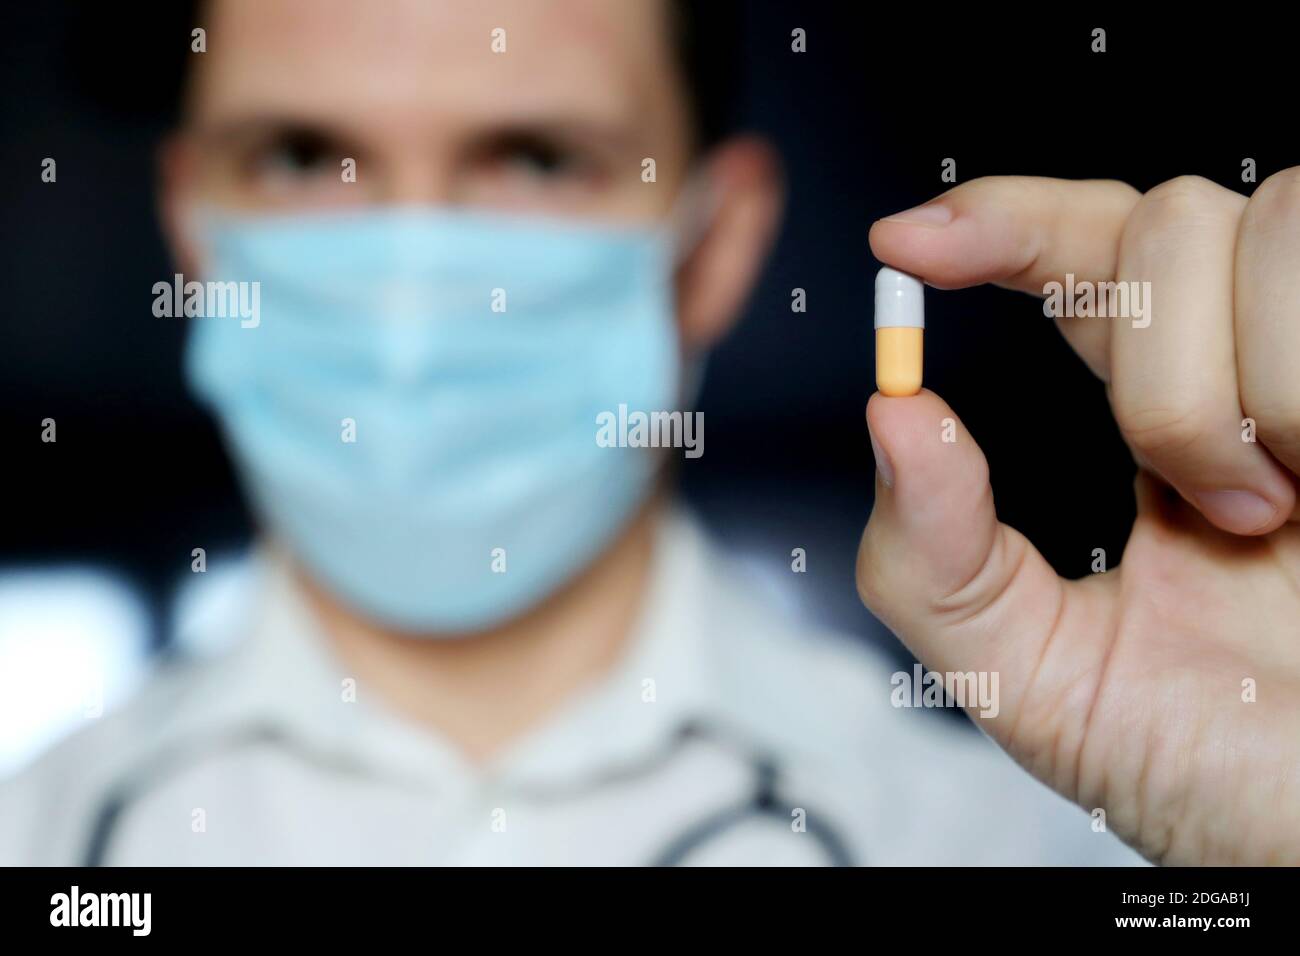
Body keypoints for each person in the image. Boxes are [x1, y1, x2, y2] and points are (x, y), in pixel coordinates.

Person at [2, 0, 1295, 866]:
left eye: (536, 158)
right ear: (190, 228)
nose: (411, 278)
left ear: (719, 242)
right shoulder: (41, 841)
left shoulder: (1005, 844)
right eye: (298, 156)